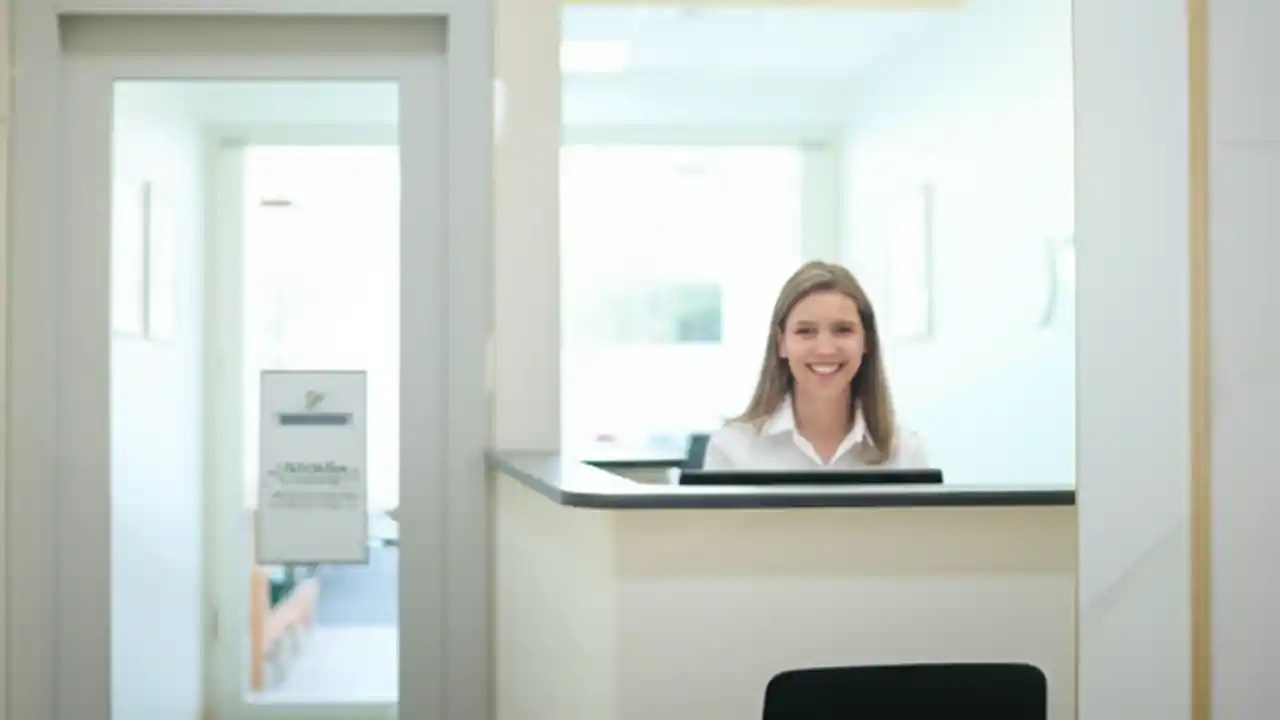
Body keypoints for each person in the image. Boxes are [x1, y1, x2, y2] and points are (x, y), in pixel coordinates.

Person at [702, 261, 927, 470]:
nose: (825, 349)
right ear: (782, 344)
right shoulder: (732, 450)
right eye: (806, 331)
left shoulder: (905, 453)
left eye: (843, 330)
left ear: (866, 341)